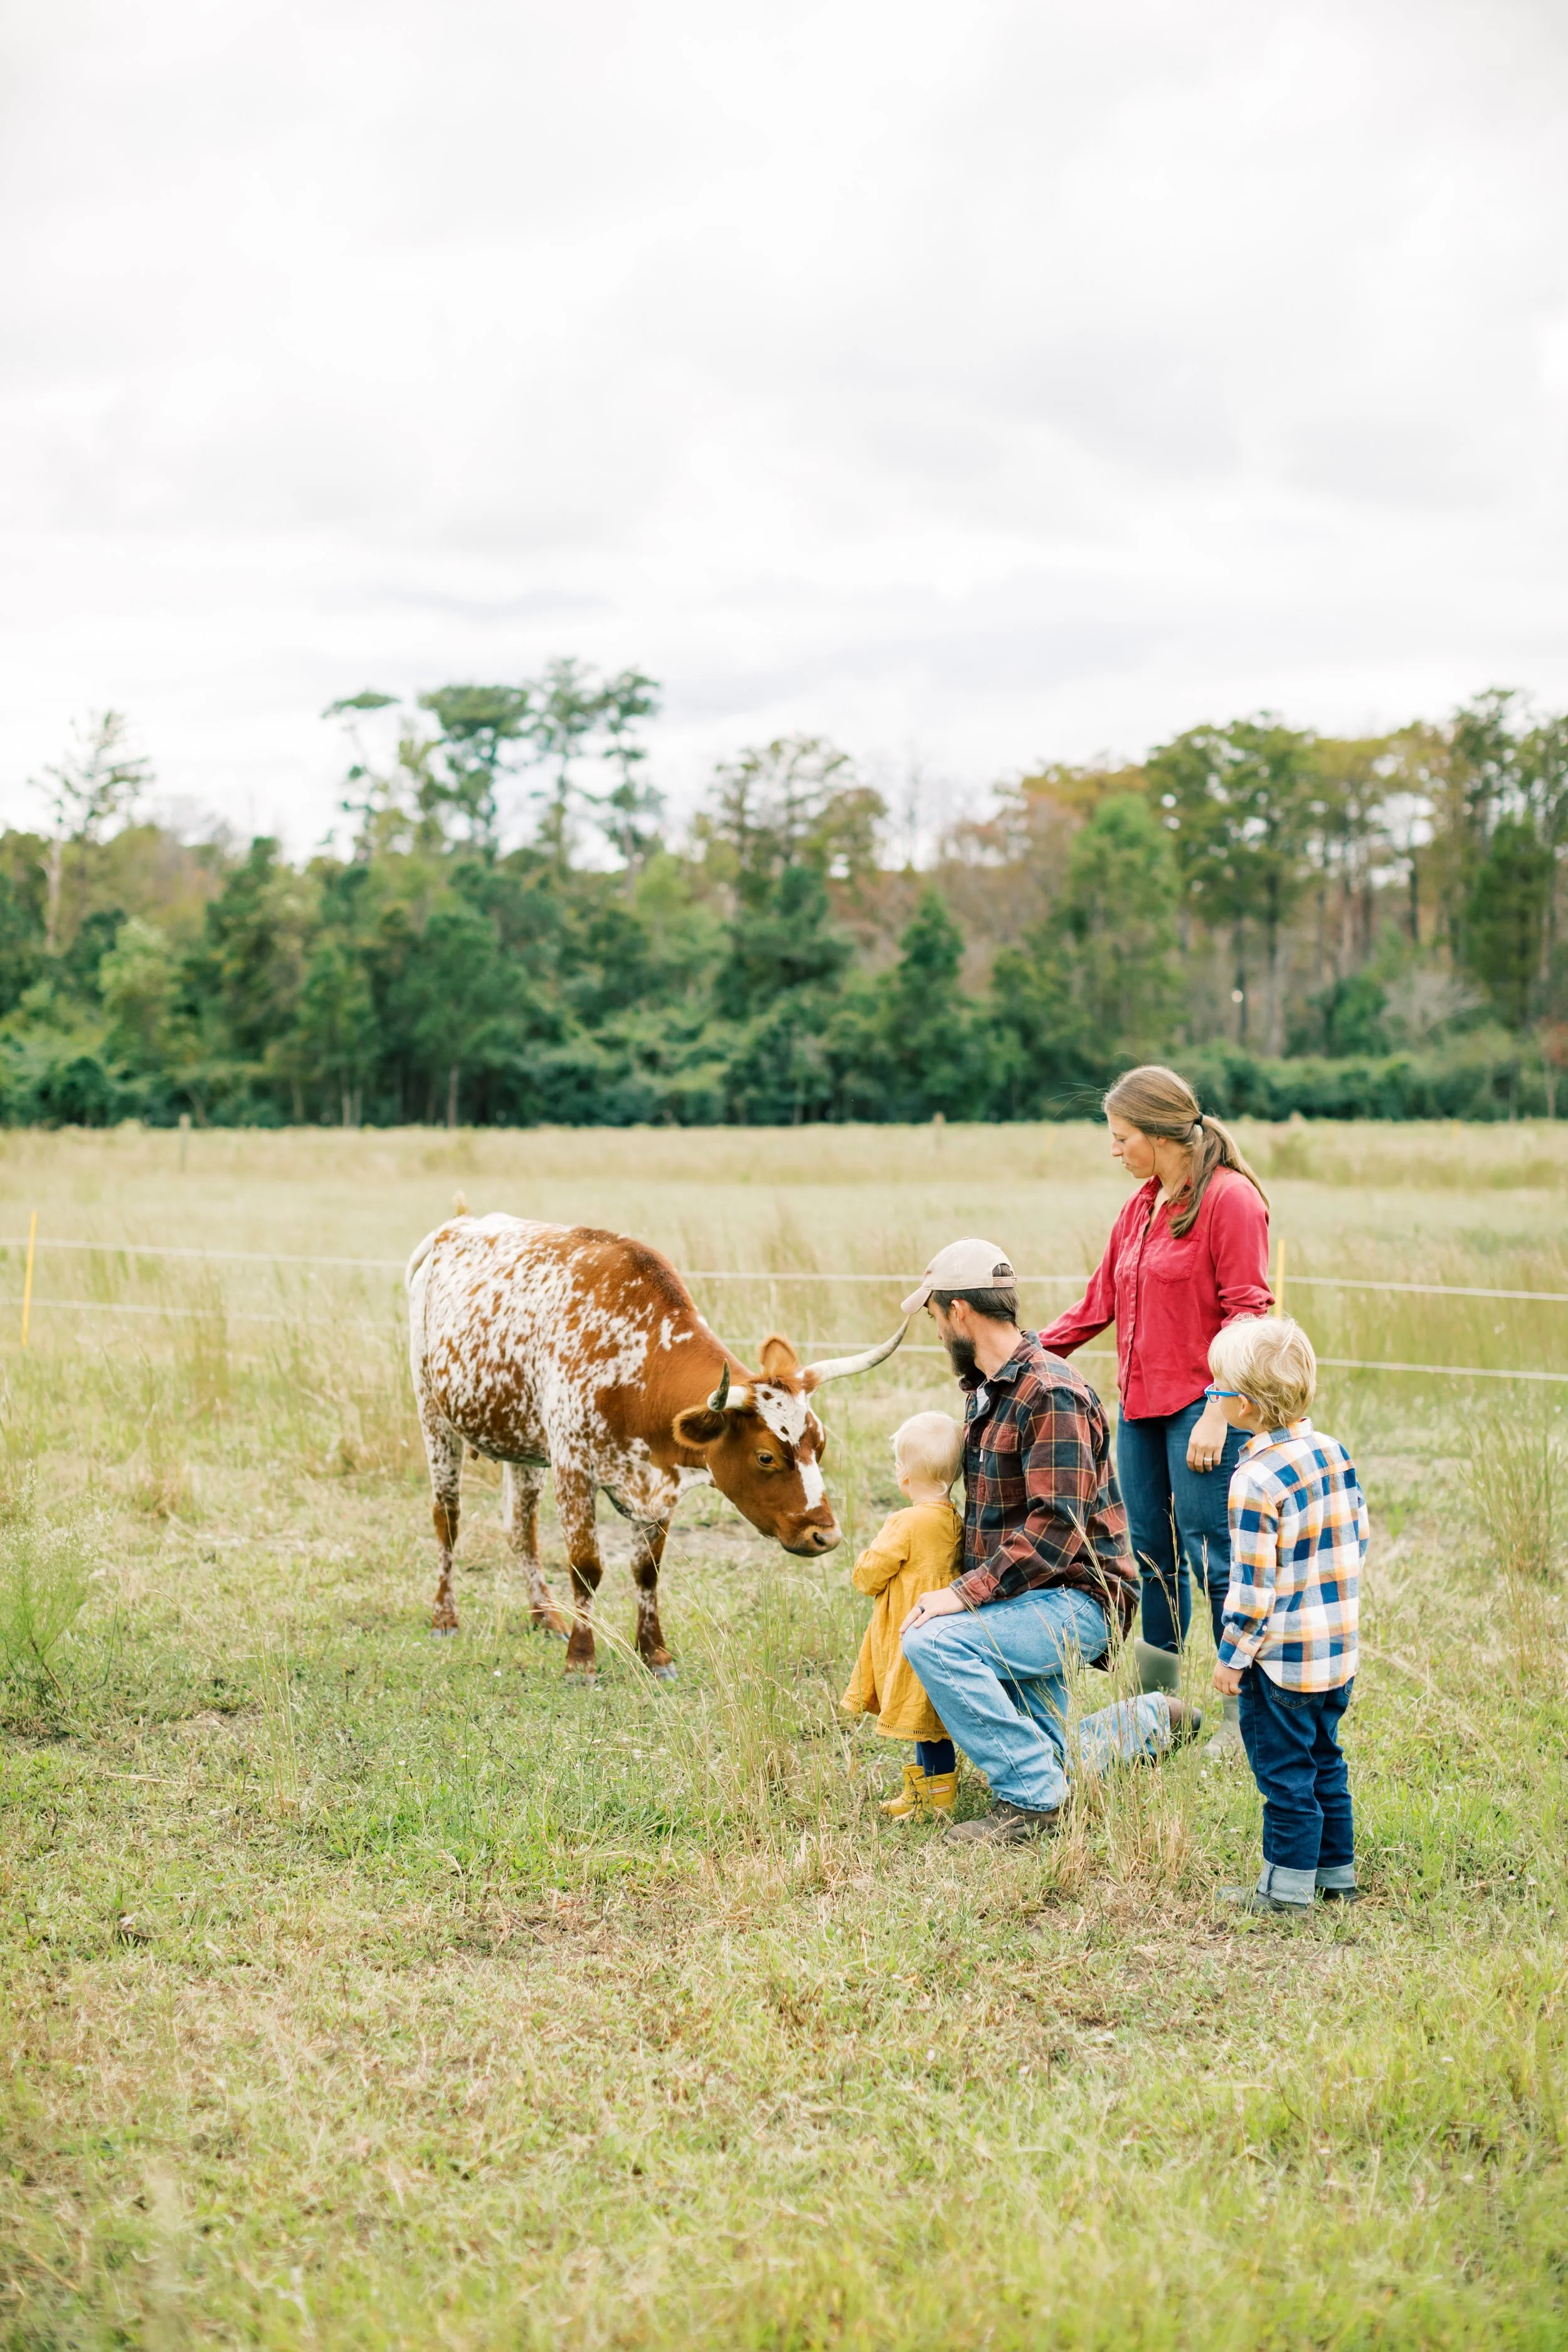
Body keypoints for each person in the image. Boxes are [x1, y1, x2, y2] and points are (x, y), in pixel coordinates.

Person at [896, 1237, 1201, 1846]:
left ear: (960, 1312)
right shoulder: (987, 1390)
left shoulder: (1050, 1393)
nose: (934, 1330)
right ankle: (1146, 1723)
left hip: (1076, 1598)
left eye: (933, 1315)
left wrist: (962, 1597)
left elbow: (1056, 1533)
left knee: (932, 1642)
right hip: (1023, 1595)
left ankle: (1033, 1802)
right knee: (1054, 1755)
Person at [1039, 1065, 1272, 1757]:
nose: (1114, 1150)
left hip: (1203, 1413)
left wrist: (1220, 1405)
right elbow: (1096, 1306)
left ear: (1160, 1133)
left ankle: (1243, 1718)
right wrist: (1018, 1355)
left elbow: (1249, 1313)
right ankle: (1159, 1706)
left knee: (1217, 1558)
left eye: (1121, 1137)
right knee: (1149, 1560)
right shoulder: (1139, 1208)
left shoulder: (1231, 1202)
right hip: (1138, 1412)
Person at [1205, 1315, 1367, 1913]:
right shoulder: (1332, 1451)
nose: (1210, 1395)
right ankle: (1336, 1874)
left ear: (1243, 1406)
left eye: (1216, 1389)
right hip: (1337, 1649)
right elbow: (1360, 1535)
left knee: (1284, 1773)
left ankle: (1286, 1891)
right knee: (1326, 1757)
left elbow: (1250, 1589)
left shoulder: (1252, 1478)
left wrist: (1231, 1659)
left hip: (1280, 1663)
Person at [840, 1411, 965, 1819]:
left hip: (911, 1631)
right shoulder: (955, 1521)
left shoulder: (906, 1522)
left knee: (919, 1714)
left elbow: (870, 1577)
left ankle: (934, 1800)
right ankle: (928, 1791)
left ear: (905, 1476)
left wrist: (861, 1564)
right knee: (931, 1715)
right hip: (946, 1632)